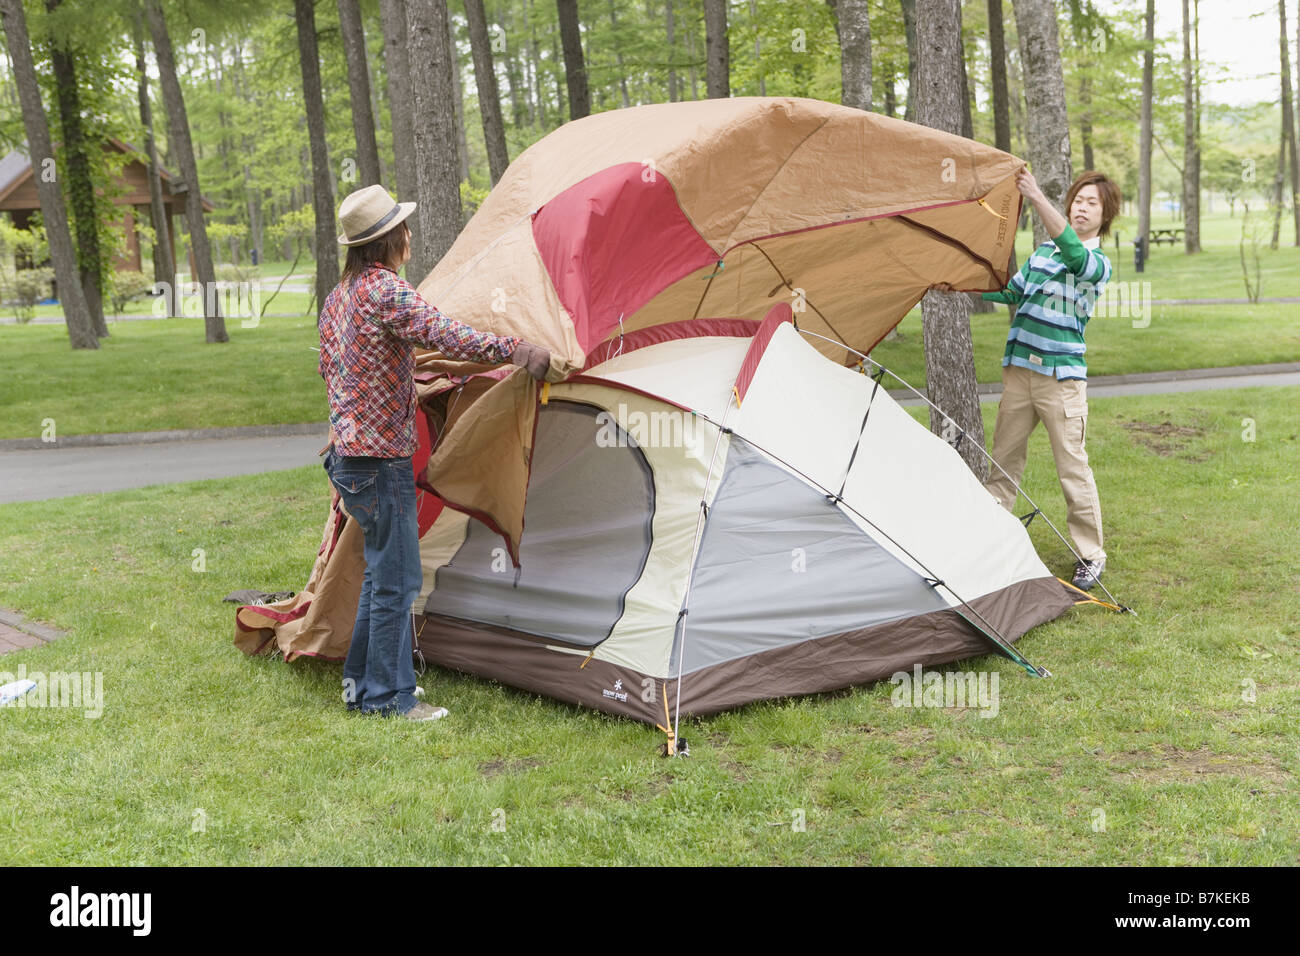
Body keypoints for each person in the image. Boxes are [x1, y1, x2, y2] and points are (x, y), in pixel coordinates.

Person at [318, 184, 551, 720]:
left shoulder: (340, 297)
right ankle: (389, 700)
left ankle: (363, 684)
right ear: (391, 238)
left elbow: (332, 370)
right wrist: (512, 349)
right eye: (404, 229)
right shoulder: (387, 291)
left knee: (382, 574)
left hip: (350, 461)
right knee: (397, 580)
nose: (409, 236)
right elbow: (443, 333)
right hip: (380, 462)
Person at [940, 168, 1119, 591]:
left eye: (1092, 203)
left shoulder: (1096, 263)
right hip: (1020, 371)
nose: (1082, 206)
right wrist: (961, 289)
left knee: (1072, 468)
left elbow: (1074, 255)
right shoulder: (1043, 253)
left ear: (1105, 215)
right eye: (1078, 199)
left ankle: (1091, 555)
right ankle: (991, 539)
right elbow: (1012, 293)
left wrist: (1036, 196)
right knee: (1003, 462)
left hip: (1061, 380)